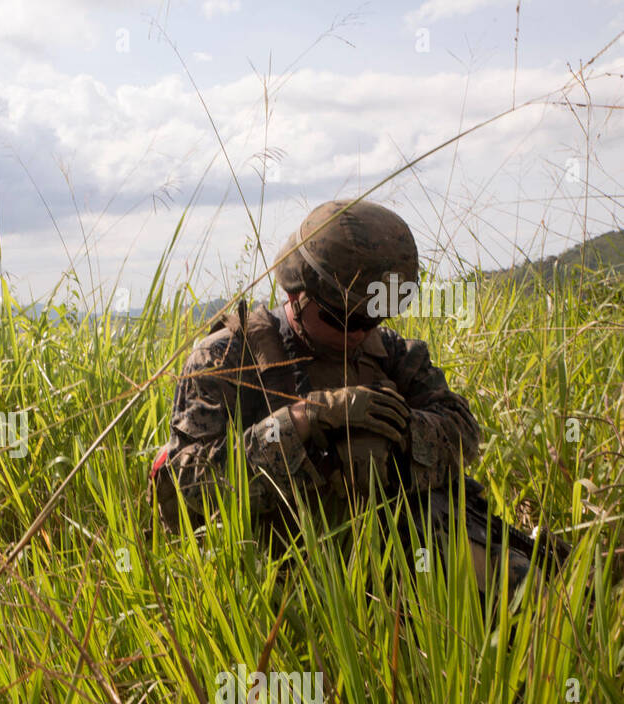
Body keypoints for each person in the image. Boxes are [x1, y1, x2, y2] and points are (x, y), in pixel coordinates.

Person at [150, 199, 563, 594]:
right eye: (344, 318)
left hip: (405, 555)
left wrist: (396, 433)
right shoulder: (226, 357)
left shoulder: (392, 355)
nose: (360, 334)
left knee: (539, 597)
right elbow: (191, 481)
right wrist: (303, 419)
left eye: (374, 317)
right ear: (296, 294)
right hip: (284, 572)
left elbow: (462, 433)